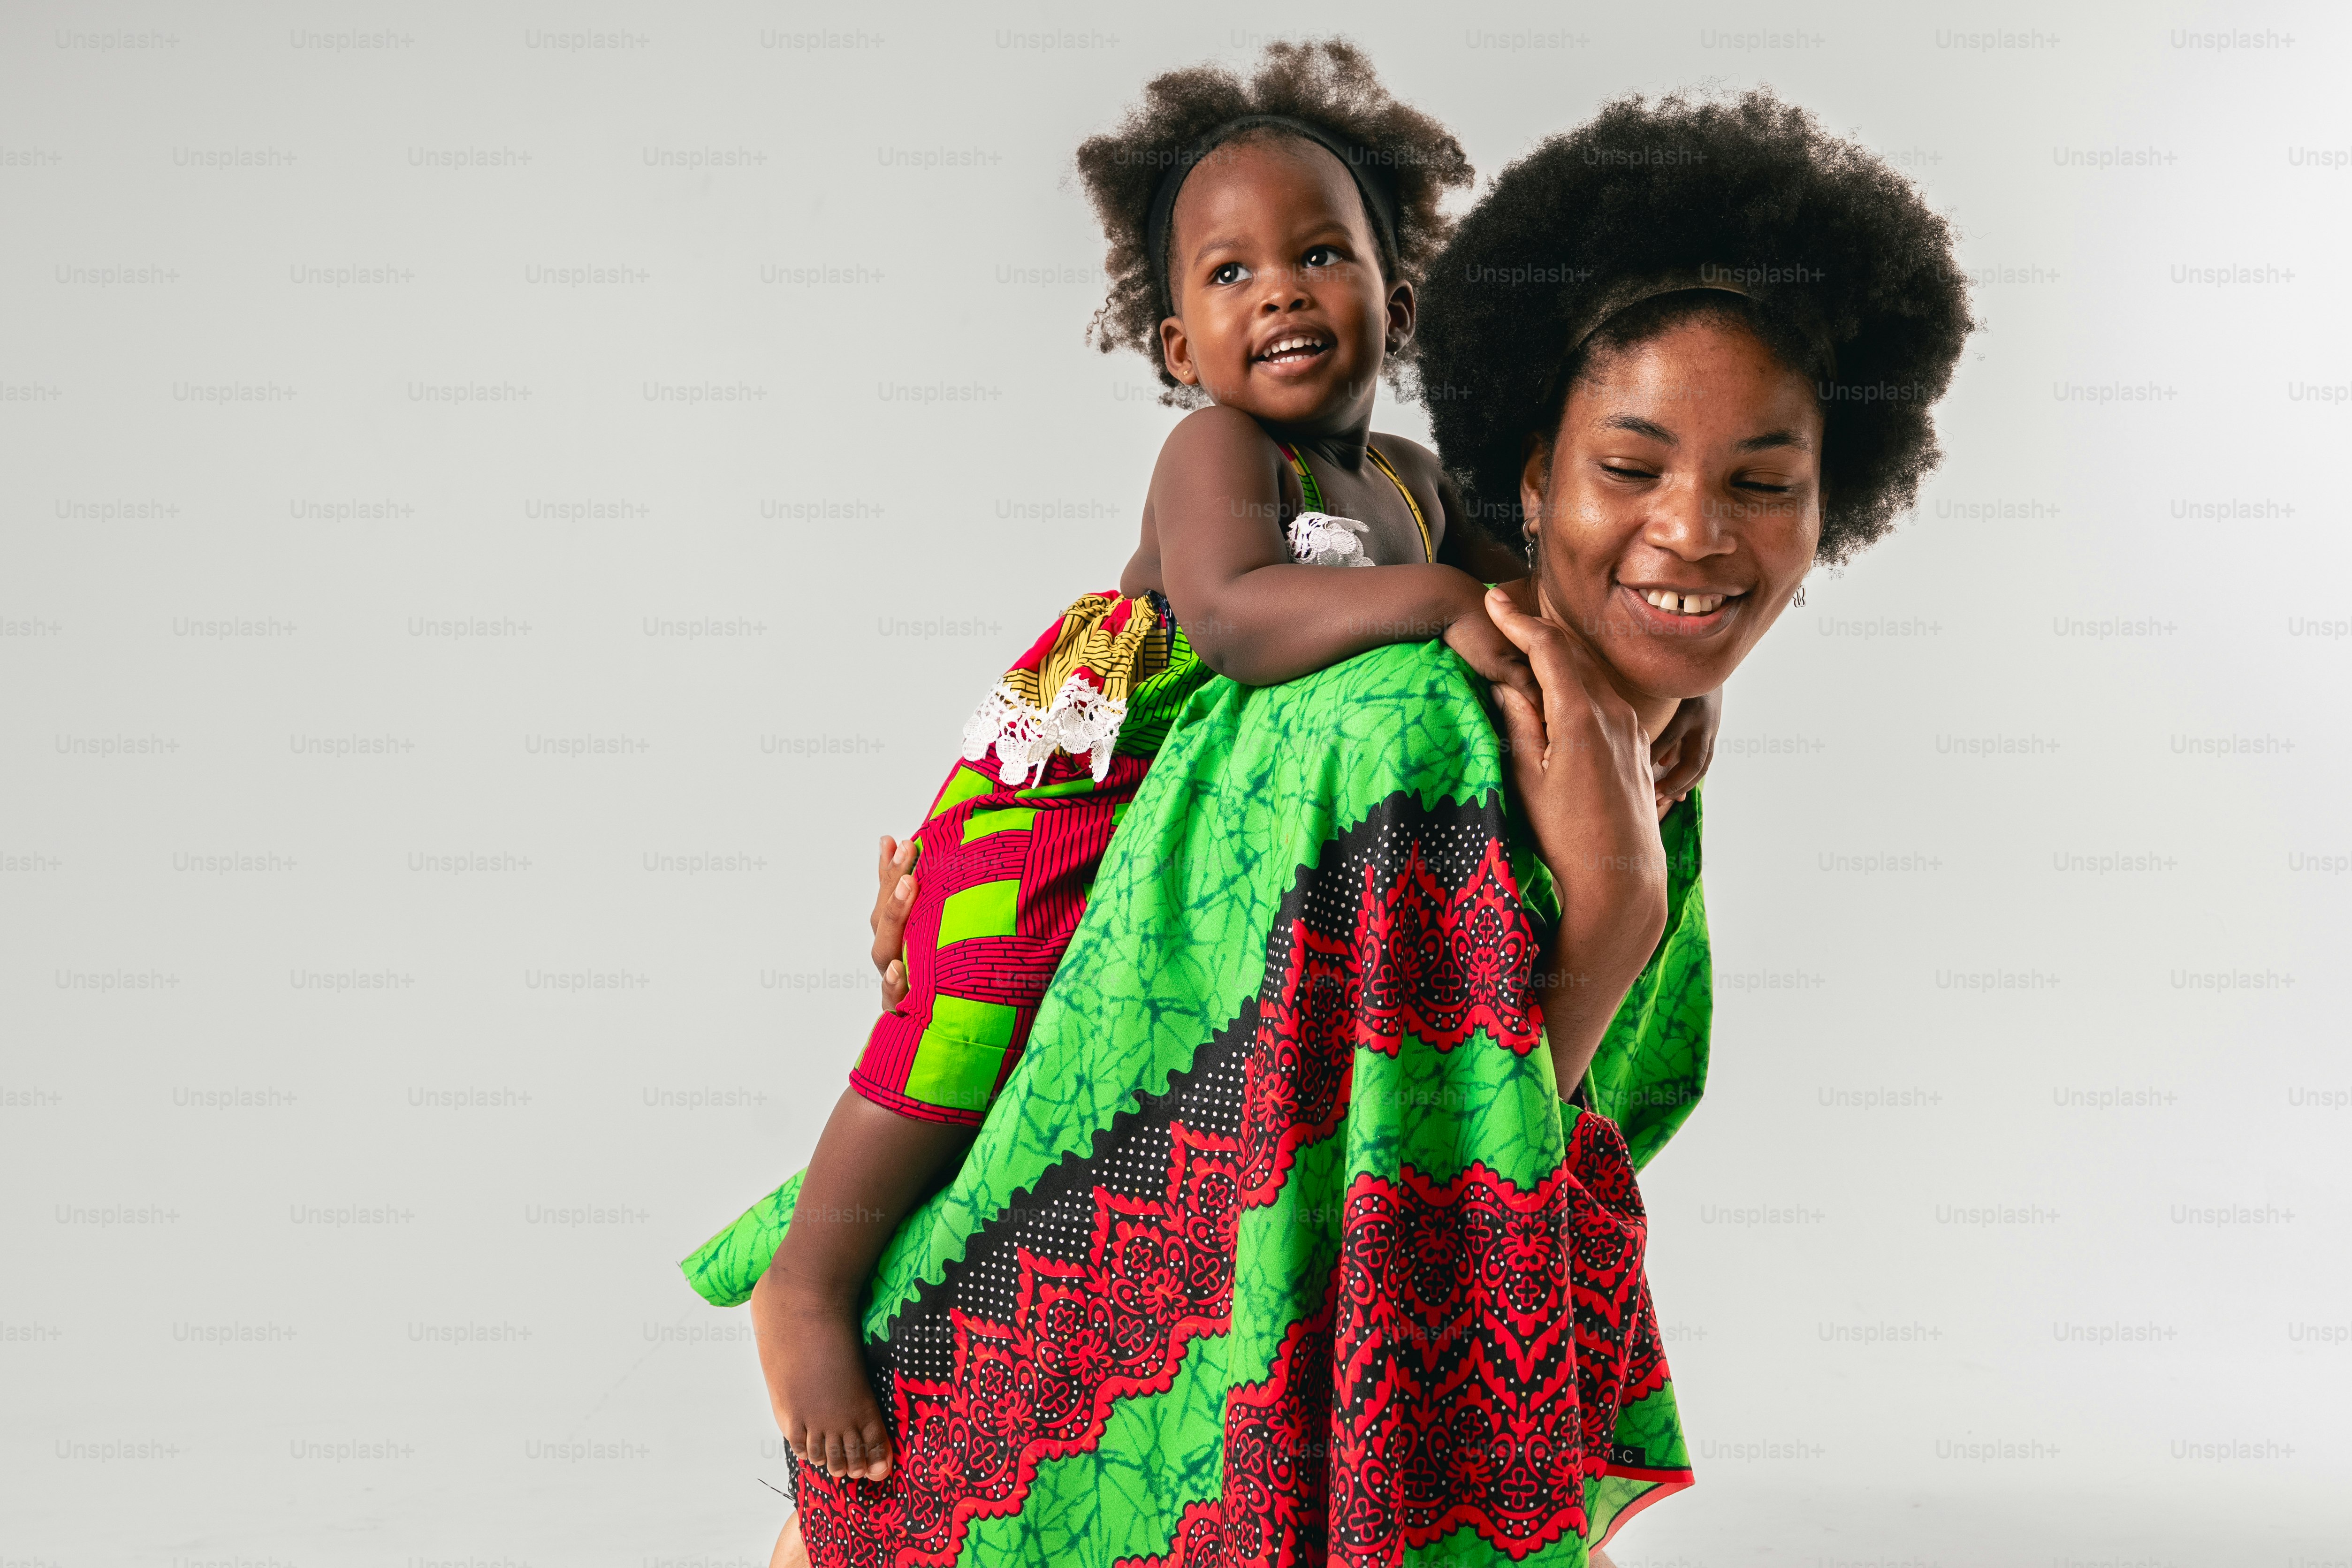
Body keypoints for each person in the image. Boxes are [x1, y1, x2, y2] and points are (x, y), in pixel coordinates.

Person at [696, 78, 1971, 1568]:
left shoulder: (1419, 492)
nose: (1689, 528)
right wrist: (1453, 631)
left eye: (1322, 260)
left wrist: (1648, 716)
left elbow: (1524, 611)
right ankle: (807, 1280)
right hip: (1067, 771)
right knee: (958, 1016)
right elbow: (1235, 619)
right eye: (1229, 276)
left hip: (1190, 867)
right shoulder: (1226, 464)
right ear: (1177, 346)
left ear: (1400, 301)